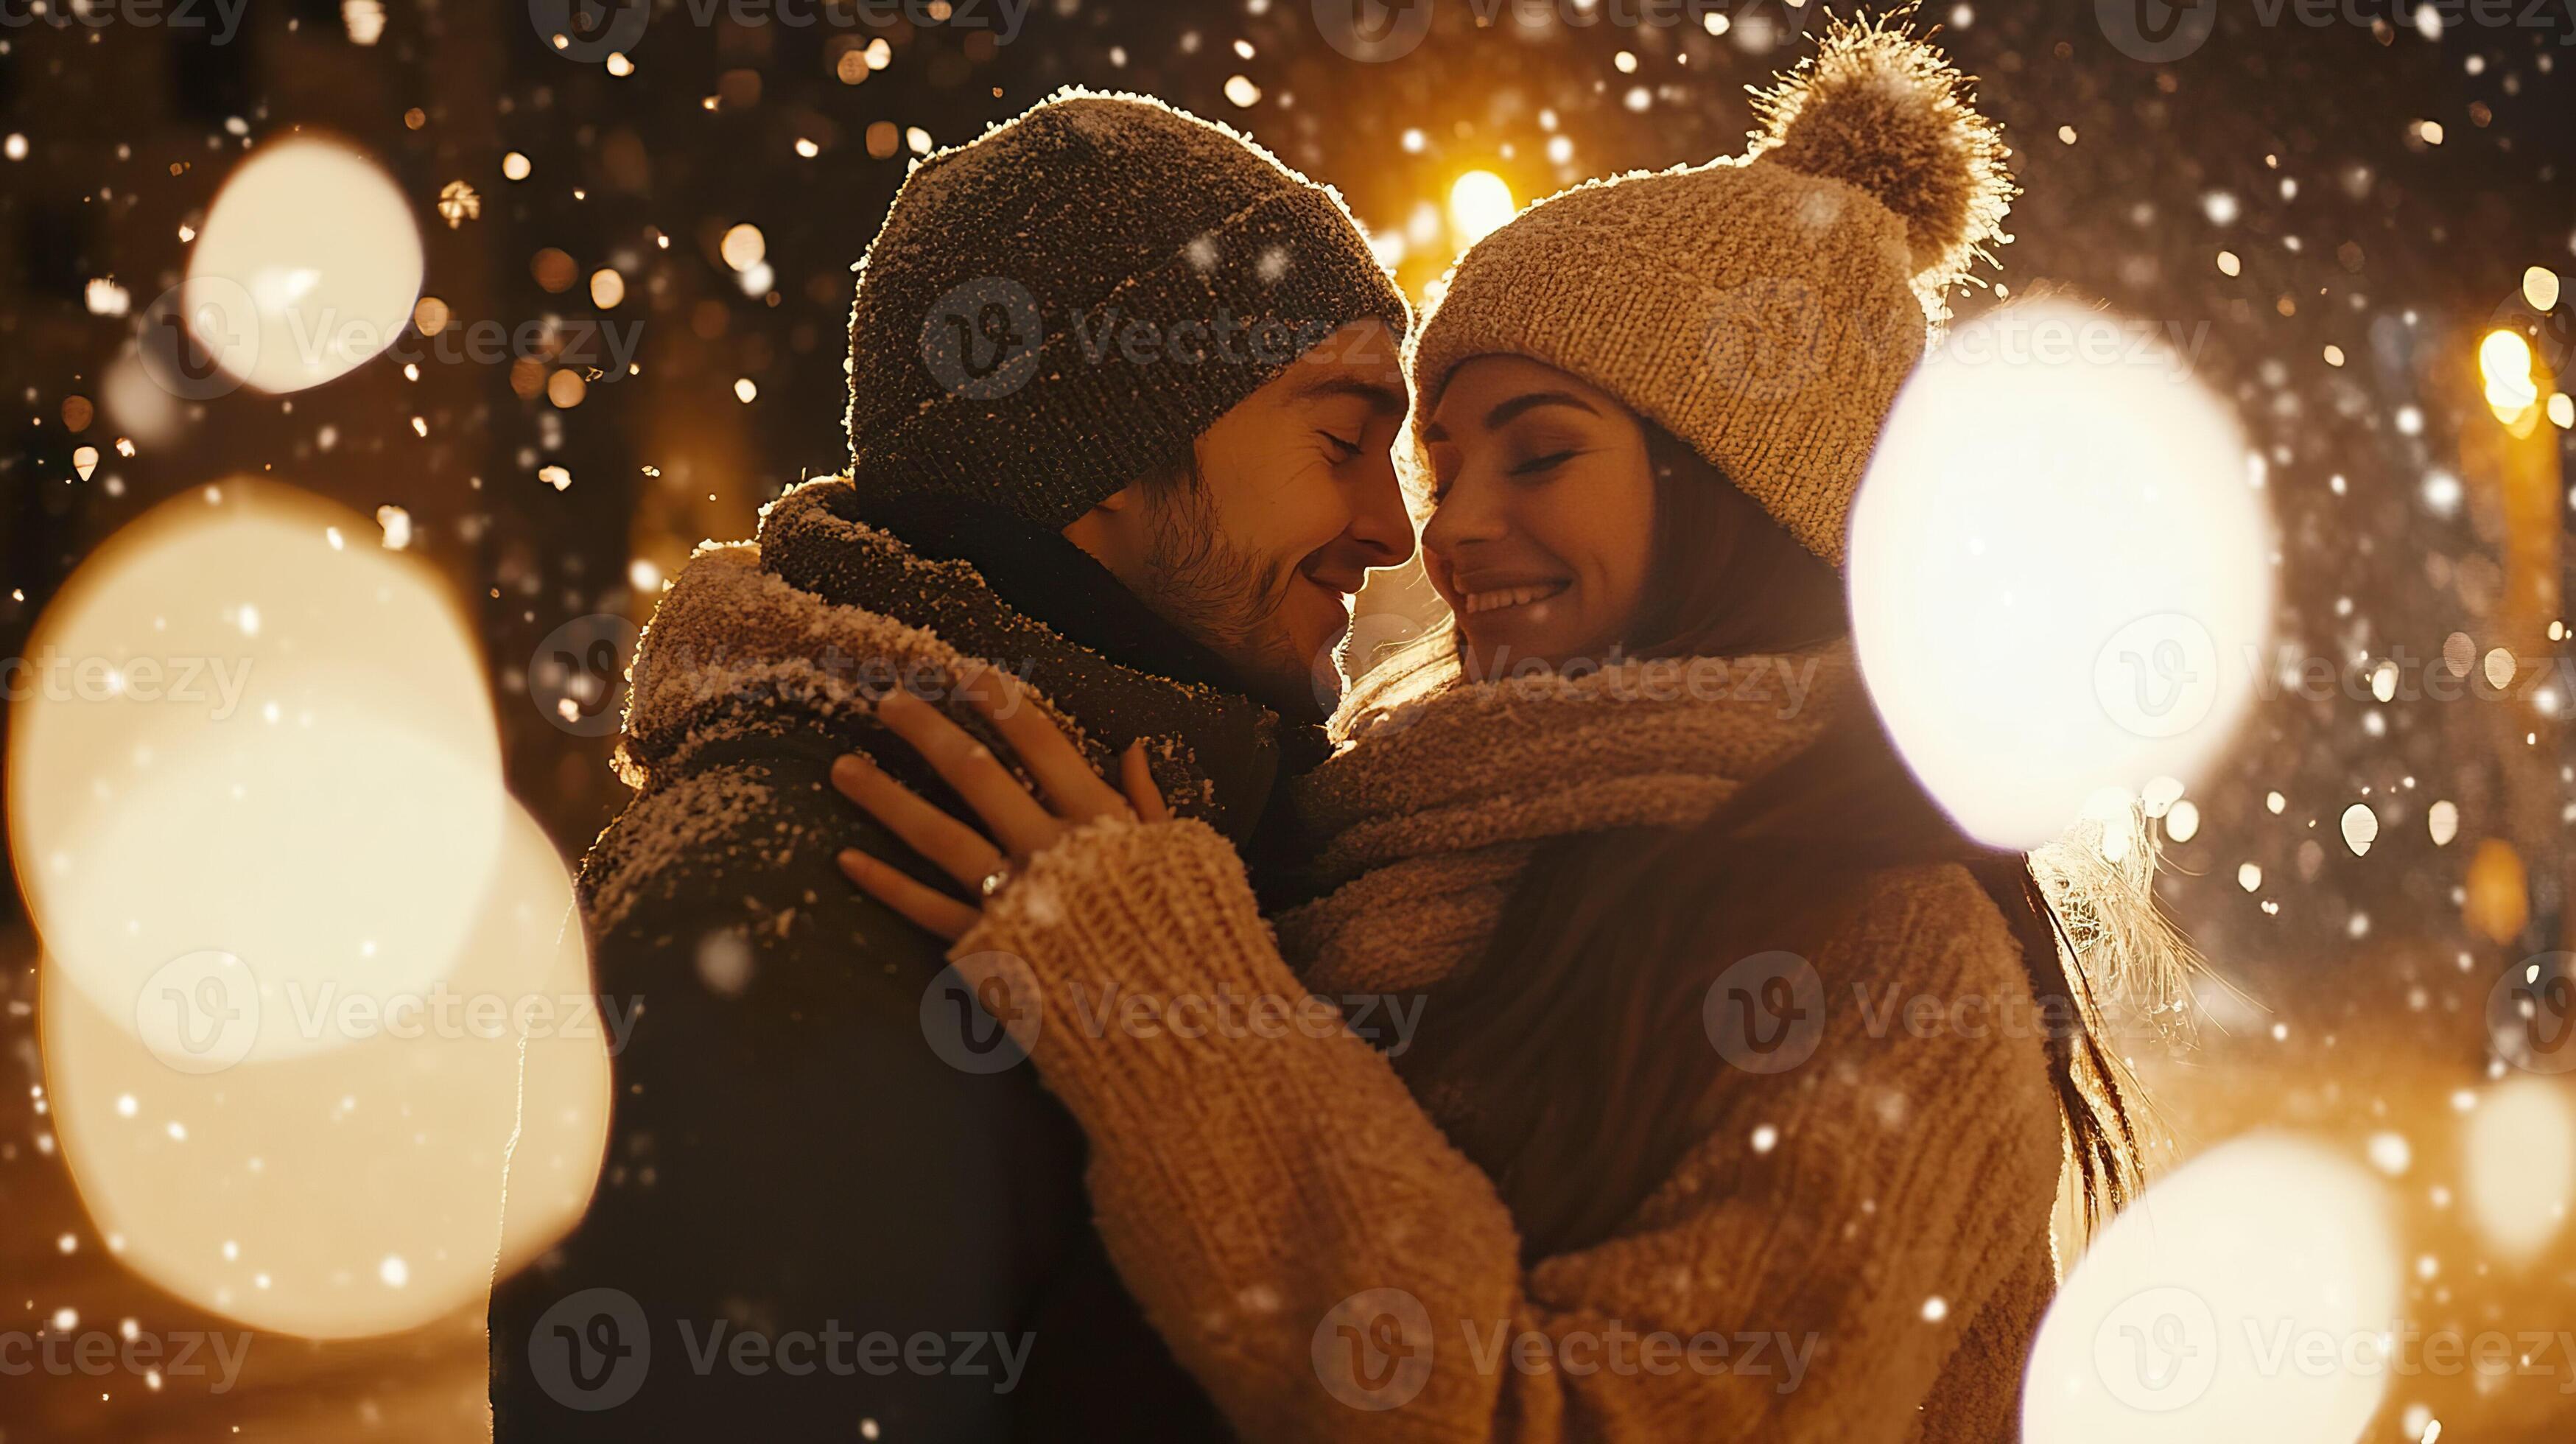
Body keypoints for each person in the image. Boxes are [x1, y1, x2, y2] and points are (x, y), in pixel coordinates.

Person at [827, 21, 2184, 1442]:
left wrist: (1167, 1020)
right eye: (1444, 458)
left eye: (1538, 453)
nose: (1449, 528)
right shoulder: (1387, 841)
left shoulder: (1899, 961)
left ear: (1739, 495)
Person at [487, 88, 1417, 1441]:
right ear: (1098, 451)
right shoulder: (795, 896)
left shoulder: (1197, 837)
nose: (1392, 529)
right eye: (1340, 441)